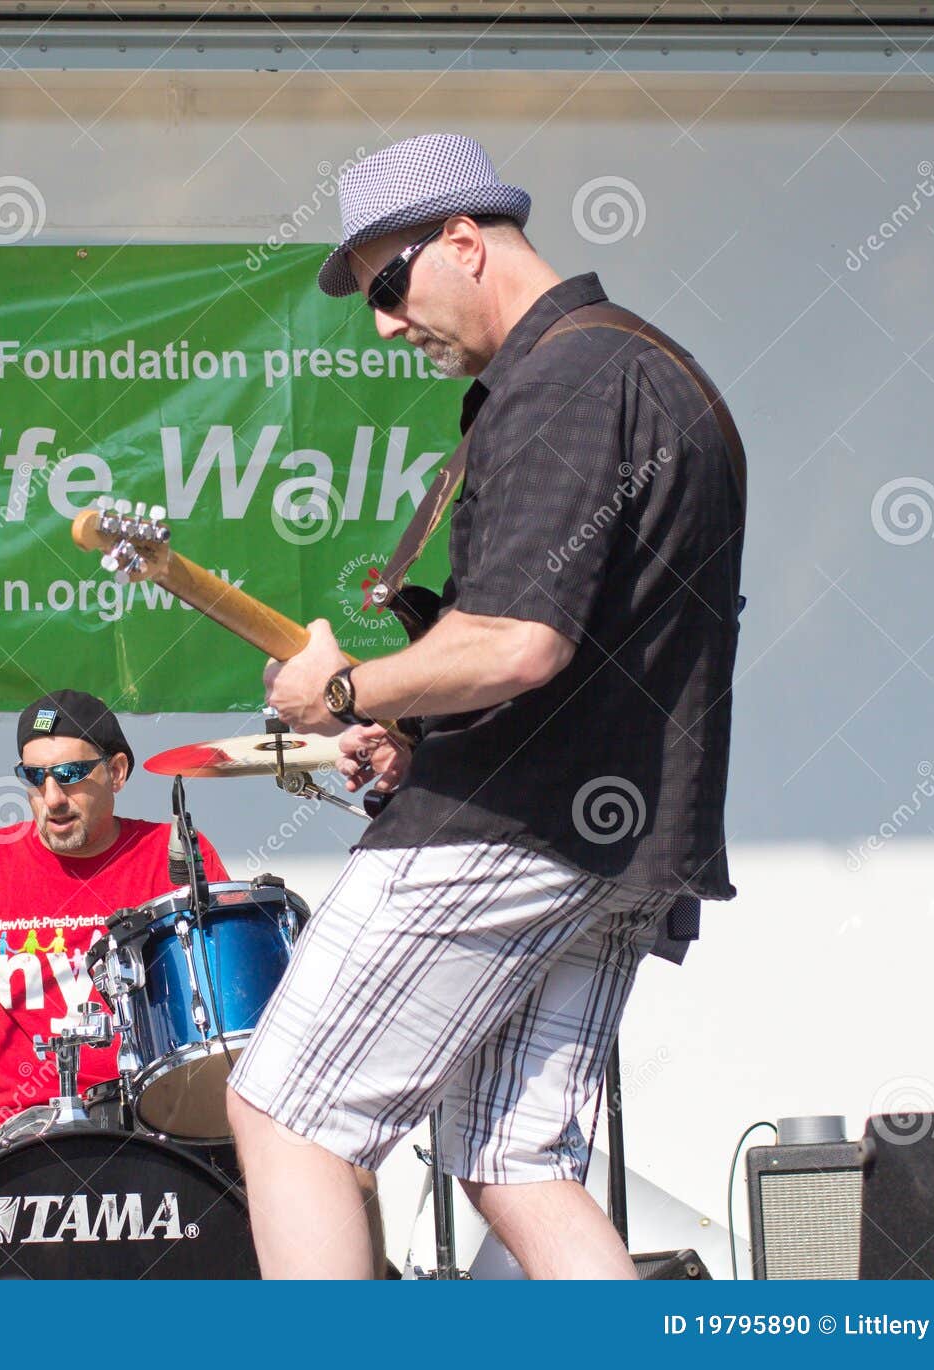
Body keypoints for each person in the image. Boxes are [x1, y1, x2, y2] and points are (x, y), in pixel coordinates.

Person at [224, 134, 745, 1279]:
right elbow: (590, 647)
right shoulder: (650, 368)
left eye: (388, 287)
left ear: (463, 240)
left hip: (516, 825)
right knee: (513, 1156)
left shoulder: (562, 381)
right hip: (623, 839)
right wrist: (416, 737)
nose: (384, 325)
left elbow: (517, 640)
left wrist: (342, 687)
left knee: (284, 1112)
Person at [0, 689, 229, 1139]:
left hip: (155, 1121)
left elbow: (226, 989)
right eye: (35, 777)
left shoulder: (174, 856)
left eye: (71, 774)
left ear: (116, 772)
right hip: (23, 1130)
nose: (52, 797)